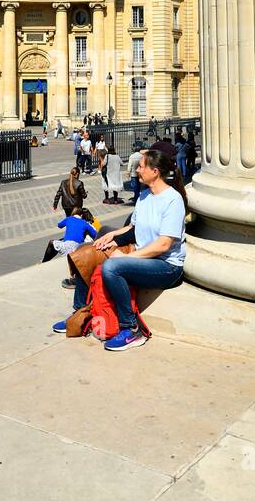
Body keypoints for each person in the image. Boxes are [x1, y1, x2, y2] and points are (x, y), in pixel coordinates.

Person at [53, 148, 186, 351]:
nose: (136, 170)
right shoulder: (144, 196)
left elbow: (164, 244)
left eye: (141, 166)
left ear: (155, 171)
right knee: (84, 254)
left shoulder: (173, 200)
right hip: (143, 256)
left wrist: (128, 257)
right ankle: (80, 313)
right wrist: (113, 237)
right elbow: (133, 227)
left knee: (112, 267)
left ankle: (132, 329)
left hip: (165, 265)